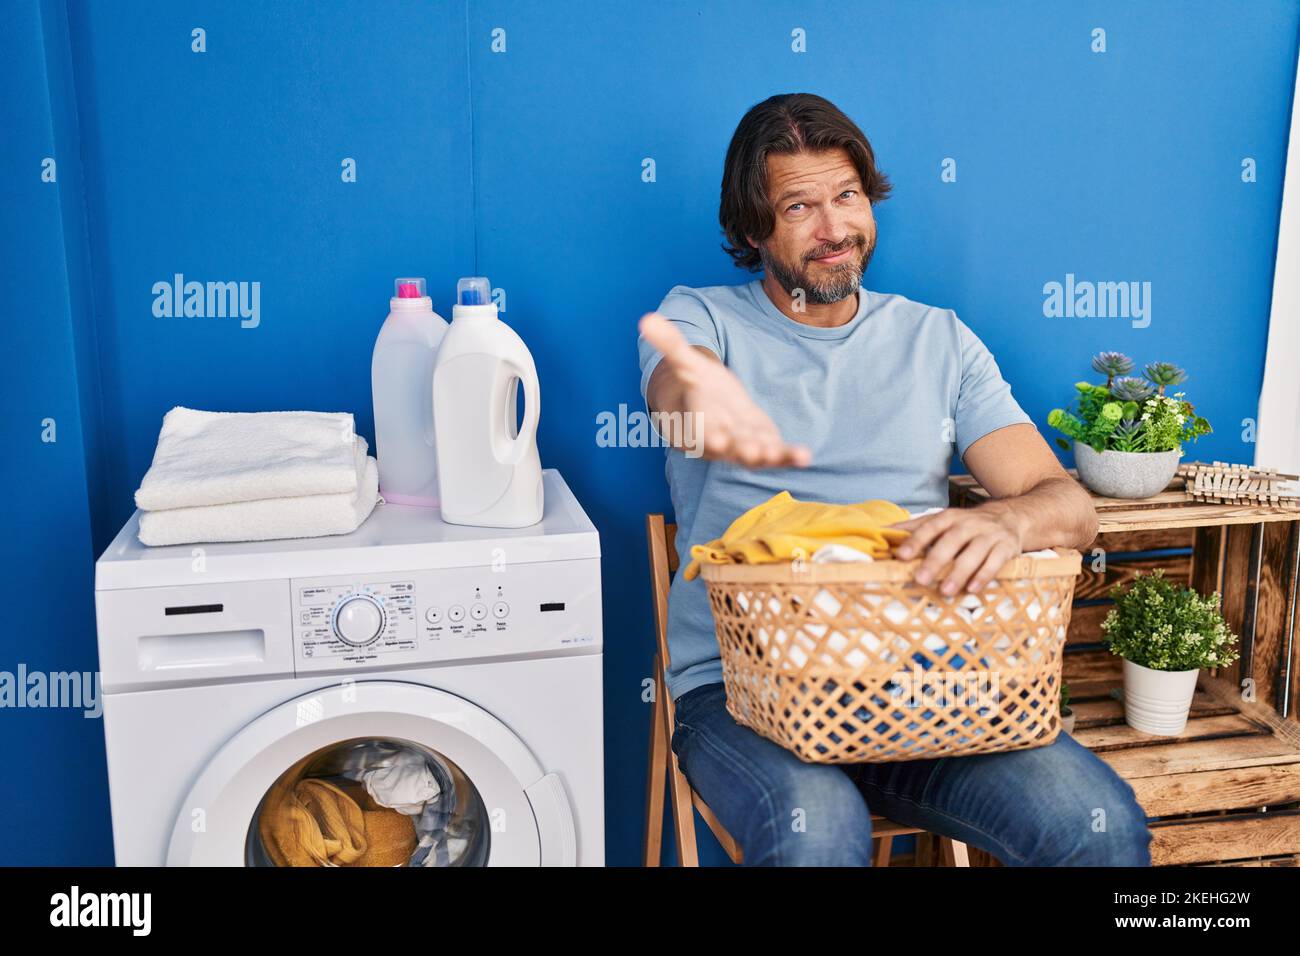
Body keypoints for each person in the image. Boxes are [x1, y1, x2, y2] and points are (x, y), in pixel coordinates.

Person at [637, 92, 1152, 866]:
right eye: (799, 207)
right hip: (744, 692)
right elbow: (676, 392)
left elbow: (1068, 507)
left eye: (845, 196)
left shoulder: (937, 339)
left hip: (923, 687)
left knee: (1093, 822)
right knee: (820, 831)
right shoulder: (701, 319)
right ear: (754, 228)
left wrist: (1005, 523)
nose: (833, 229)